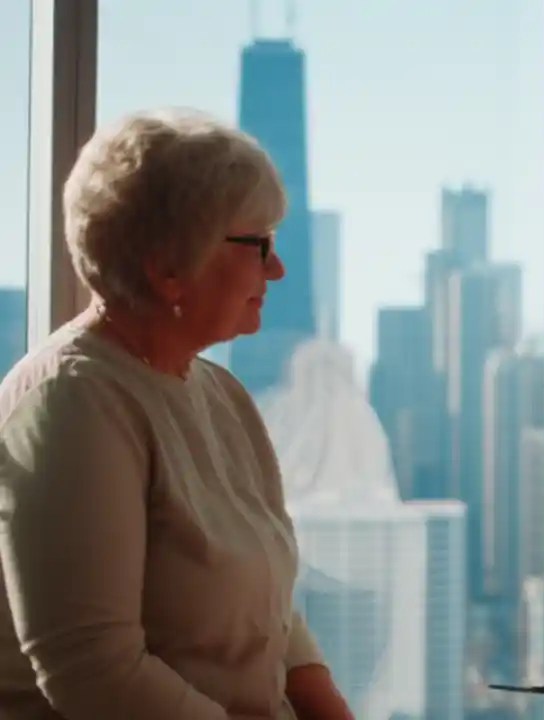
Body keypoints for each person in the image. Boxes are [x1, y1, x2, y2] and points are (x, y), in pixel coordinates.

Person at [0, 109, 353, 720]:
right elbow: (95, 673)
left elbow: (269, 612)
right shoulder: (72, 401)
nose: (277, 269)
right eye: (258, 244)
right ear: (168, 267)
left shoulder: (218, 392)